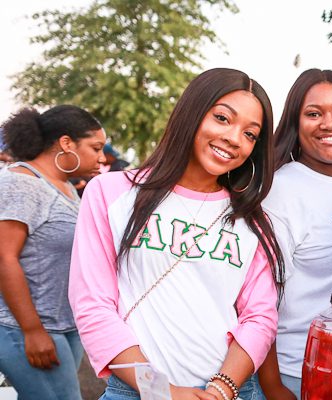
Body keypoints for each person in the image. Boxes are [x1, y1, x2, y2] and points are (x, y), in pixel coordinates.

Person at [69, 68, 284, 400]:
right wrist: (162, 392)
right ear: (192, 112)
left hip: (230, 392)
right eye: (223, 118)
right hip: (137, 392)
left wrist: (221, 389)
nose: (234, 138)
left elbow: (260, 317)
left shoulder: (252, 221)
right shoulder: (110, 194)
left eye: (250, 134)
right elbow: (93, 304)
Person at [256, 69, 332, 400]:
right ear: (294, 123)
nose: (329, 124)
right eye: (314, 113)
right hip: (299, 373)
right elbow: (256, 301)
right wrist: (273, 387)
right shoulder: (280, 191)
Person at [0, 105, 105, 400]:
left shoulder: (66, 187)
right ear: (66, 143)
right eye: (95, 147)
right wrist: (32, 330)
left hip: (63, 325)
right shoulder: (22, 183)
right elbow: (4, 258)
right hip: (24, 326)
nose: (101, 157)